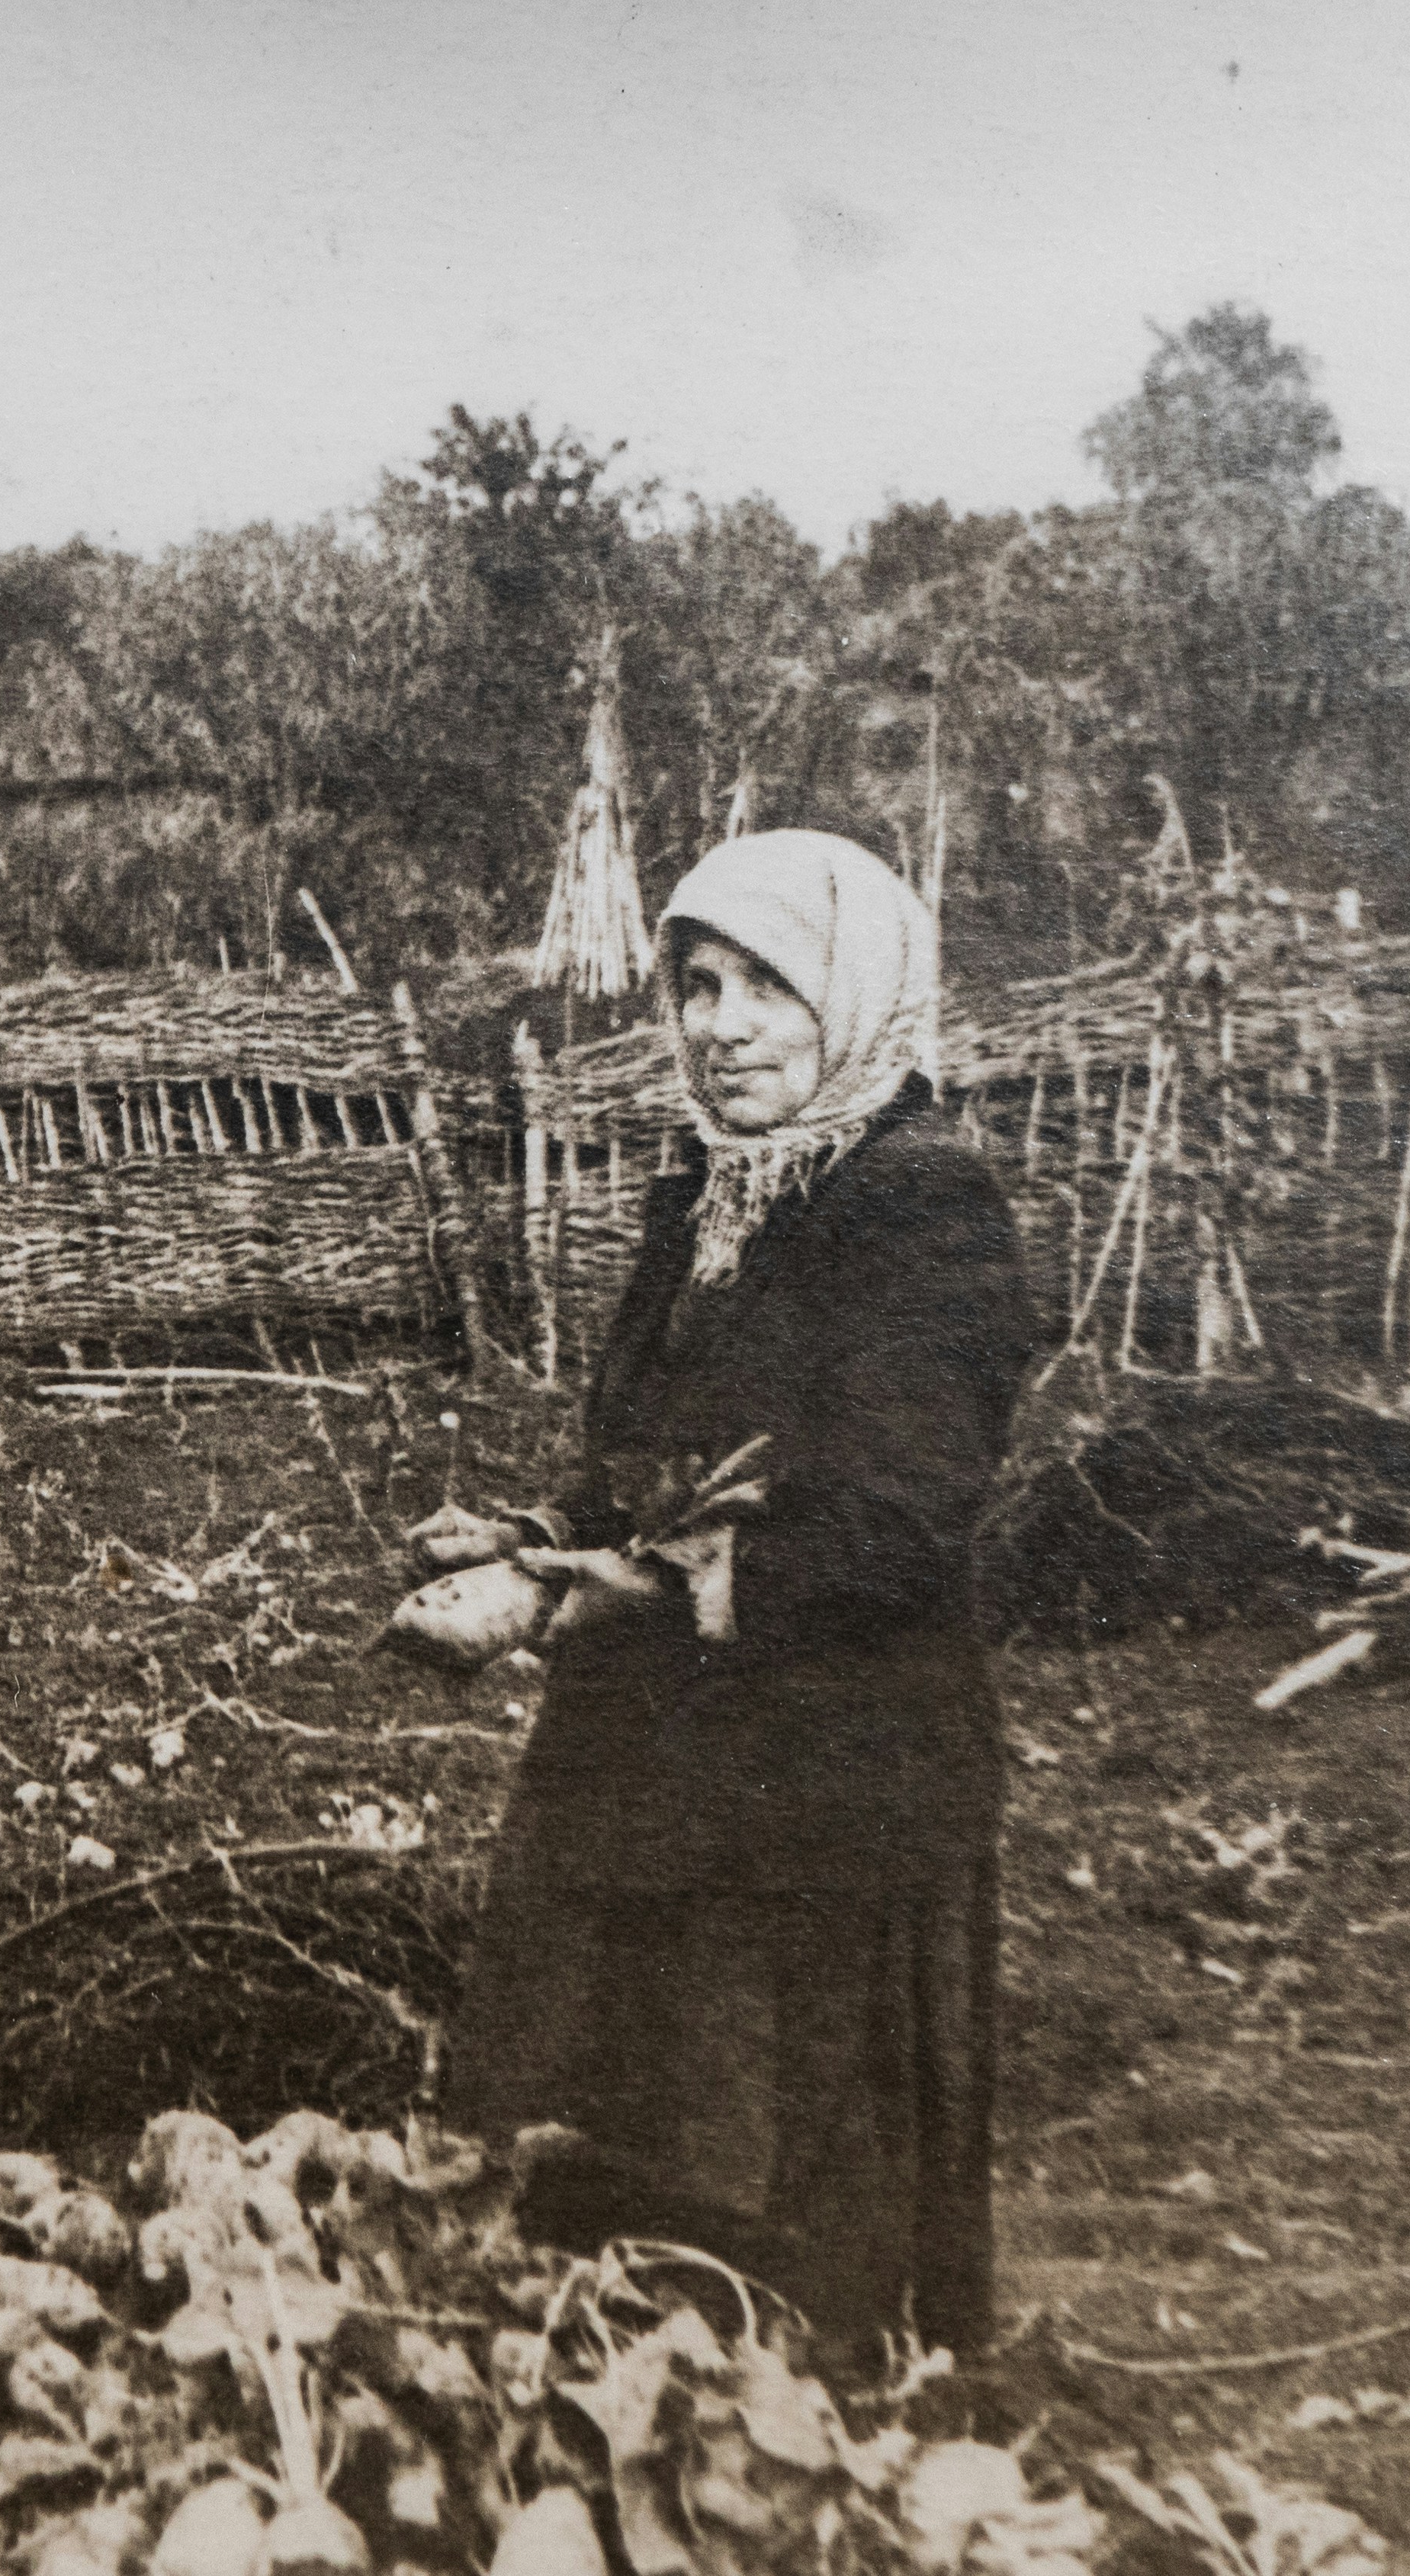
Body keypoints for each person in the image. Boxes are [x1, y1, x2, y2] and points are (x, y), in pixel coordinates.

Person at [418, 829, 1036, 2366]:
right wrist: (533, 1536)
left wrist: (604, 1588)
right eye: (699, 985)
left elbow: (895, 1525)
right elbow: (647, 1450)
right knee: (627, 2149)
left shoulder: (925, 1212)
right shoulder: (706, 1187)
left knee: (798, 2195)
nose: (724, 1023)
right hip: (661, 1752)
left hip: (839, 1763)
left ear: (858, 997)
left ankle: (816, 2432)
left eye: (771, 985)